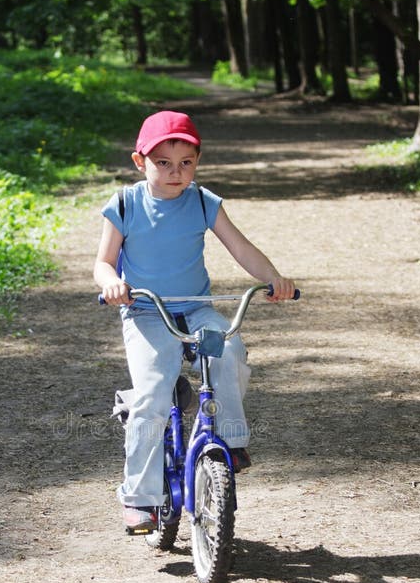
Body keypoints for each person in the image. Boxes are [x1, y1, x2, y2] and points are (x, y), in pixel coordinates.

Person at [94, 110, 296, 534]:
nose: (175, 172)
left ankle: (231, 439)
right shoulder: (126, 204)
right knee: (152, 395)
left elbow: (241, 248)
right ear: (139, 162)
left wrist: (273, 278)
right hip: (147, 311)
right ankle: (140, 499)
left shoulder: (203, 201)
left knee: (231, 350)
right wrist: (112, 283)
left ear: (197, 163)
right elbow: (103, 263)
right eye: (163, 163)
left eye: (185, 162)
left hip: (197, 306)